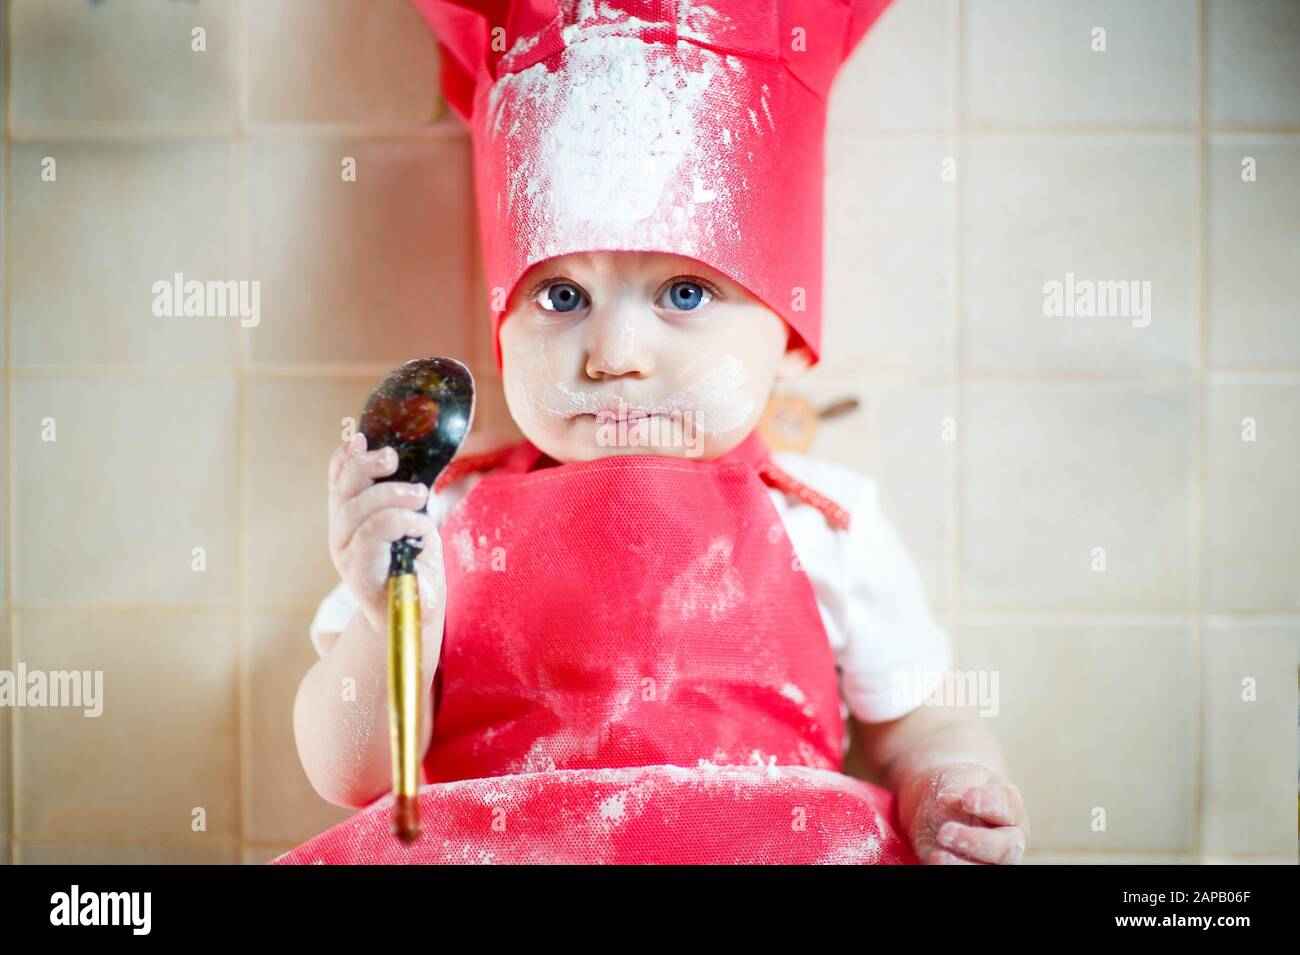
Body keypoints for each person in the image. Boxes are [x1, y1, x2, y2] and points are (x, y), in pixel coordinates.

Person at [278, 0, 1029, 865]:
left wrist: (948, 789)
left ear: (788, 336)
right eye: (562, 297)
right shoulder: (438, 519)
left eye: (684, 293)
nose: (614, 355)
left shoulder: (831, 524)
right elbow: (353, 776)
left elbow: (920, 722)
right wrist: (387, 624)